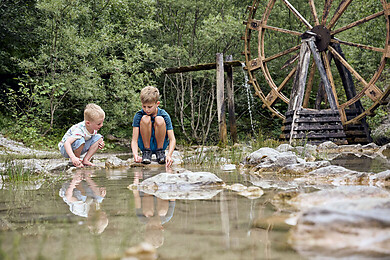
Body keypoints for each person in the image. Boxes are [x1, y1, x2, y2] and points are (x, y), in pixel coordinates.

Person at [131, 86, 176, 166]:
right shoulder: (139, 115)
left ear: (157, 104)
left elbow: (172, 139)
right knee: (145, 118)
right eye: (144, 106)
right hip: (145, 146)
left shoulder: (164, 115)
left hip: (161, 145)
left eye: (149, 107)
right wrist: (135, 154)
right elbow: (134, 139)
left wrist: (169, 155)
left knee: (159, 119)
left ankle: (160, 152)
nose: (146, 110)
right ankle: (147, 152)